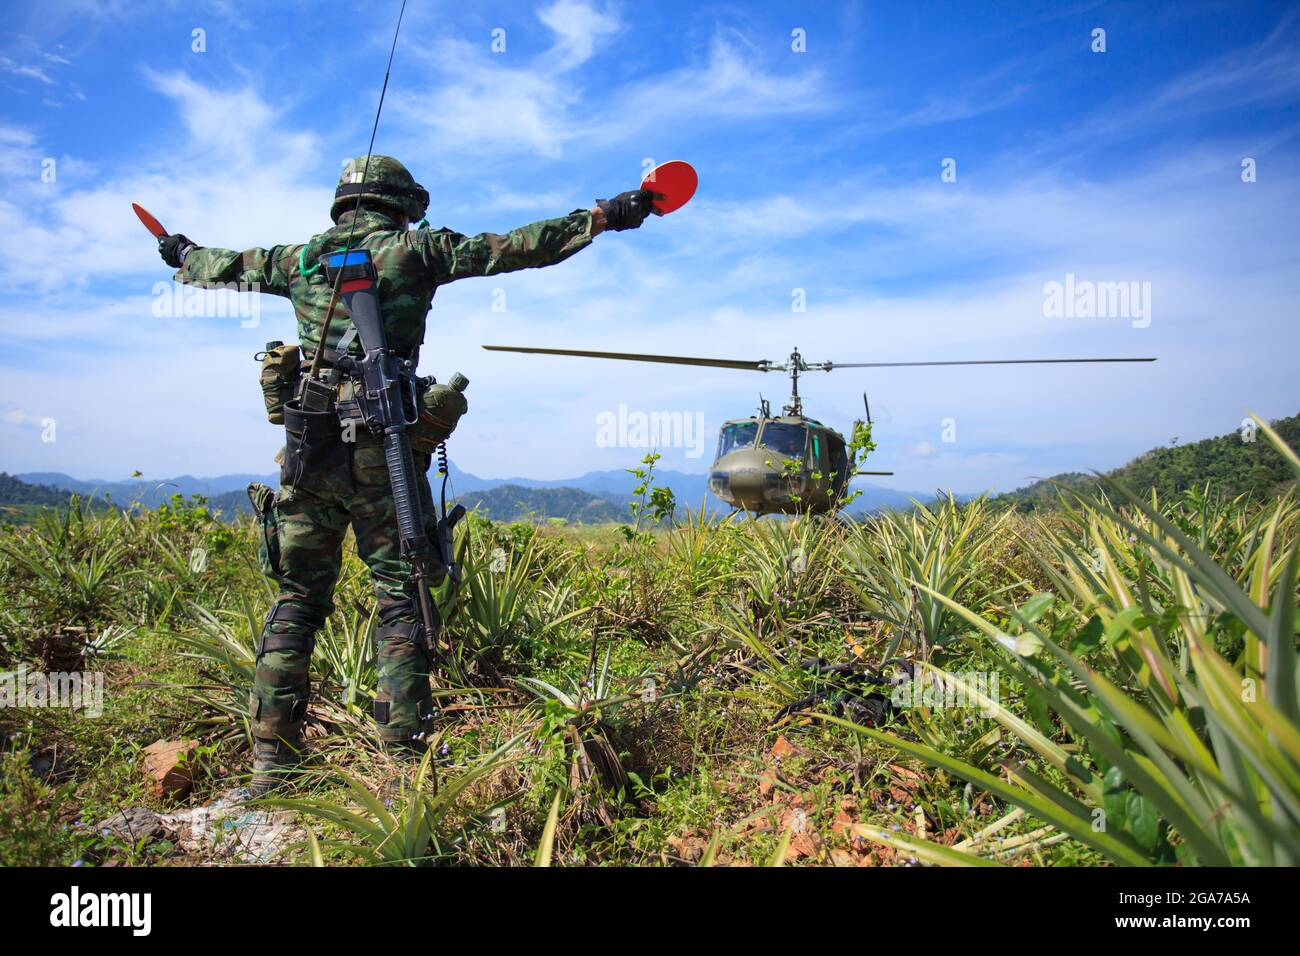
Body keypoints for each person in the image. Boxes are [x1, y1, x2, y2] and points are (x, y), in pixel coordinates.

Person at [157, 155, 660, 794]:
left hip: (310, 447)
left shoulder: (297, 260)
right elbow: (514, 249)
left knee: (297, 598)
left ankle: (271, 764)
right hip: (382, 445)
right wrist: (606, 216)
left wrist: (179, 249)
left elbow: (216, 266)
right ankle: (402, 762)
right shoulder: (415, 251)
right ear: (399, 204)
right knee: (401, 596)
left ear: (343, 203)